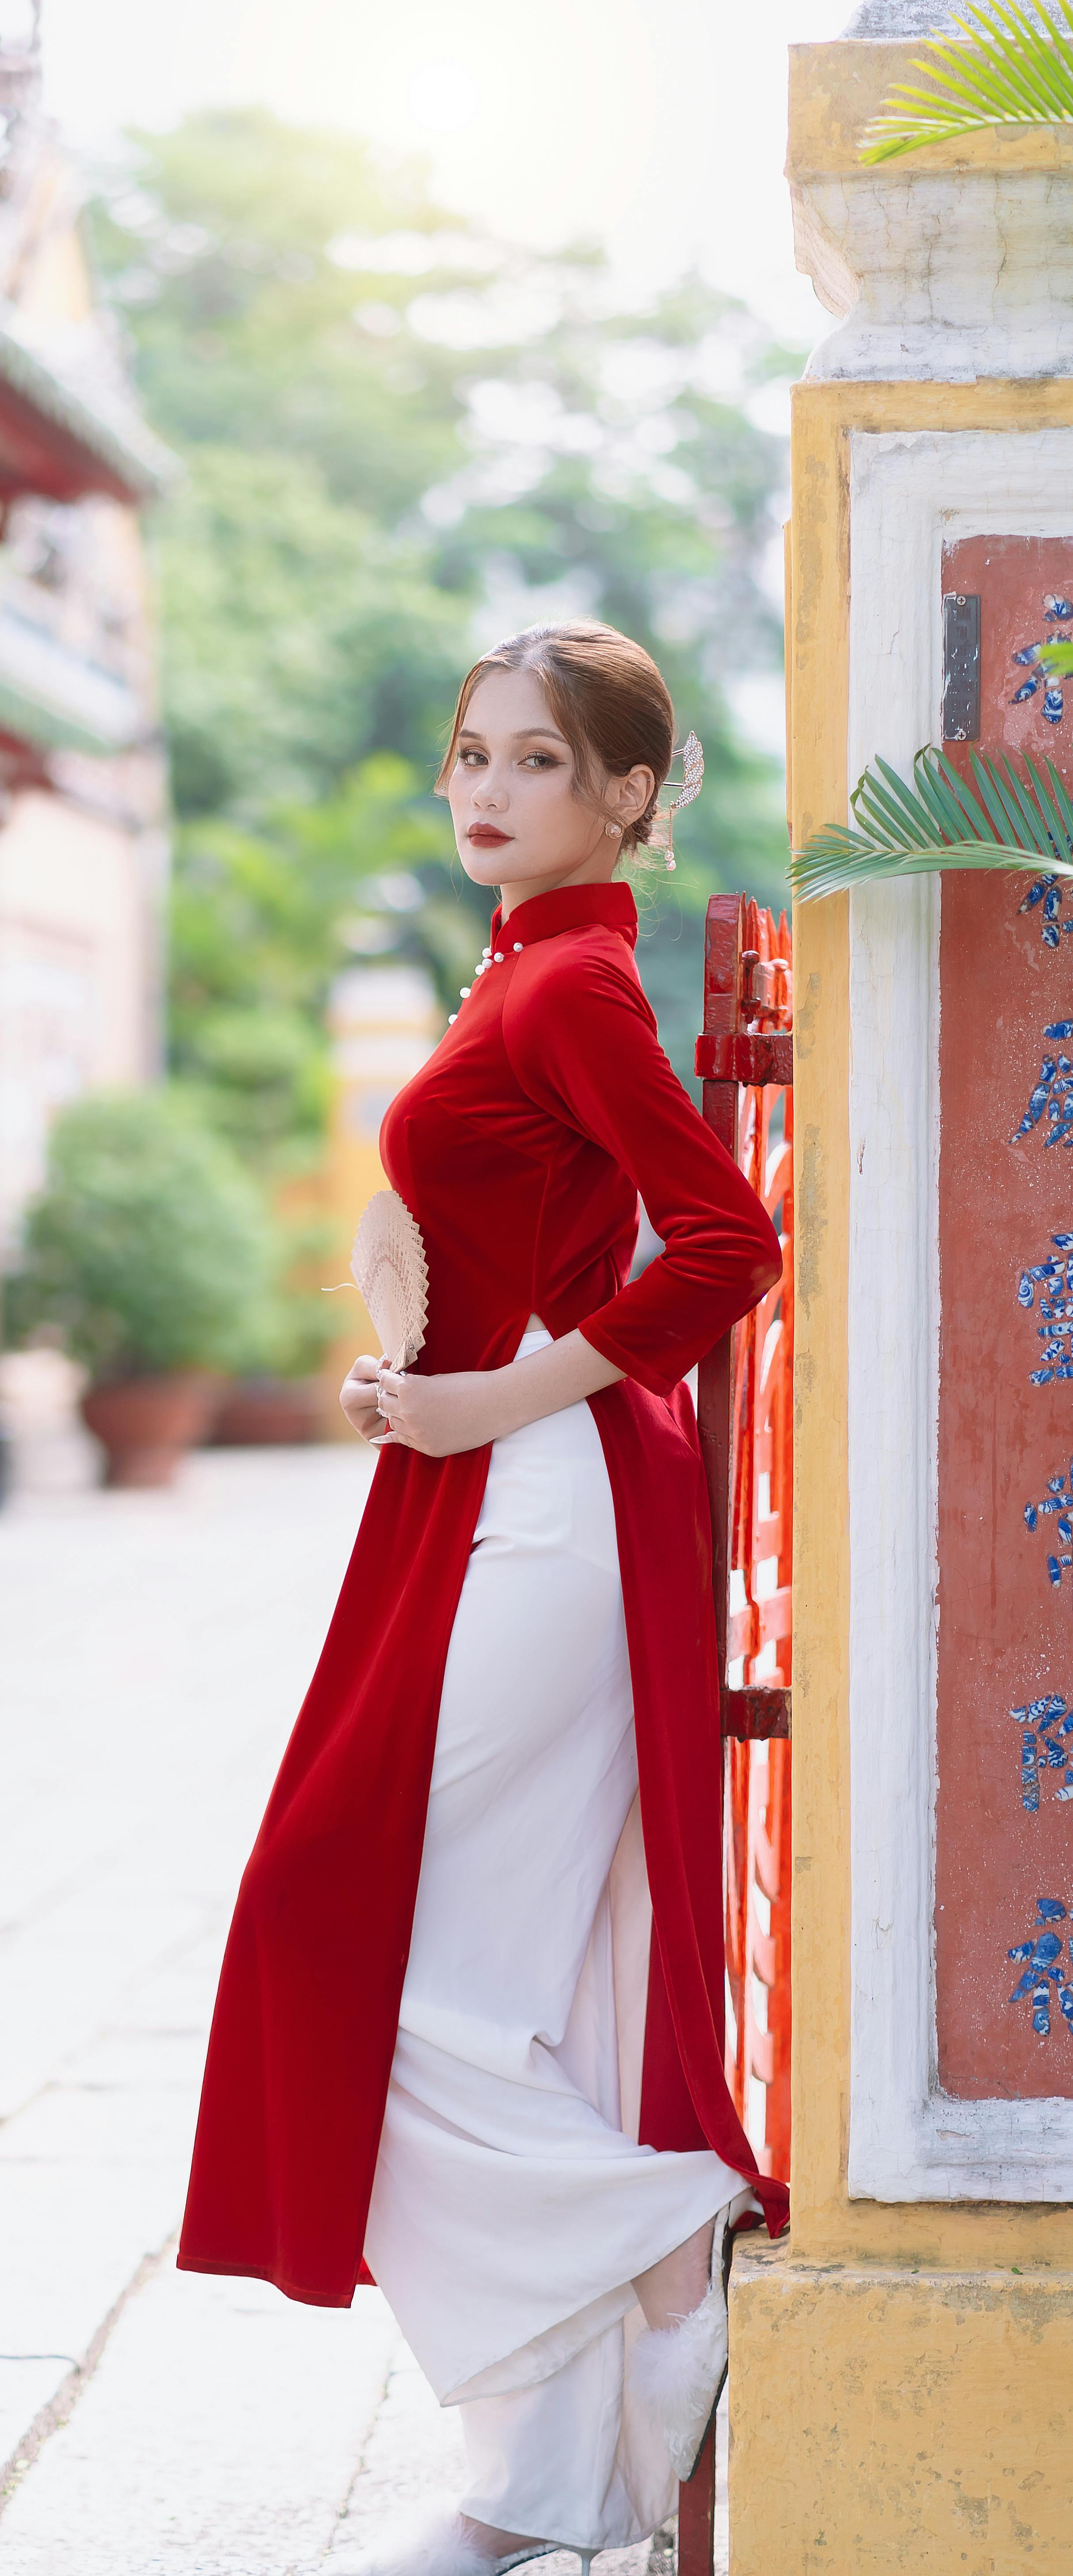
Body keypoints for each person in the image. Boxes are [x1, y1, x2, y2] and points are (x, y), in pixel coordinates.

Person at [177, 621, 787, 2575]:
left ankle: (660, 2220)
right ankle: (541, 2487)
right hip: (499, 1482)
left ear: (630, 794)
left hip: (551, 1502)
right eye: (469, 754)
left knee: (343, 1927)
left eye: (537, 759)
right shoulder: (520, 977)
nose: (485, 788)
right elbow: (526, 1240)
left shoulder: (575, 988)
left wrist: (502, 1390)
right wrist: (421, 1380)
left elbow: (726, 1240)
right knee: (500, 1980)